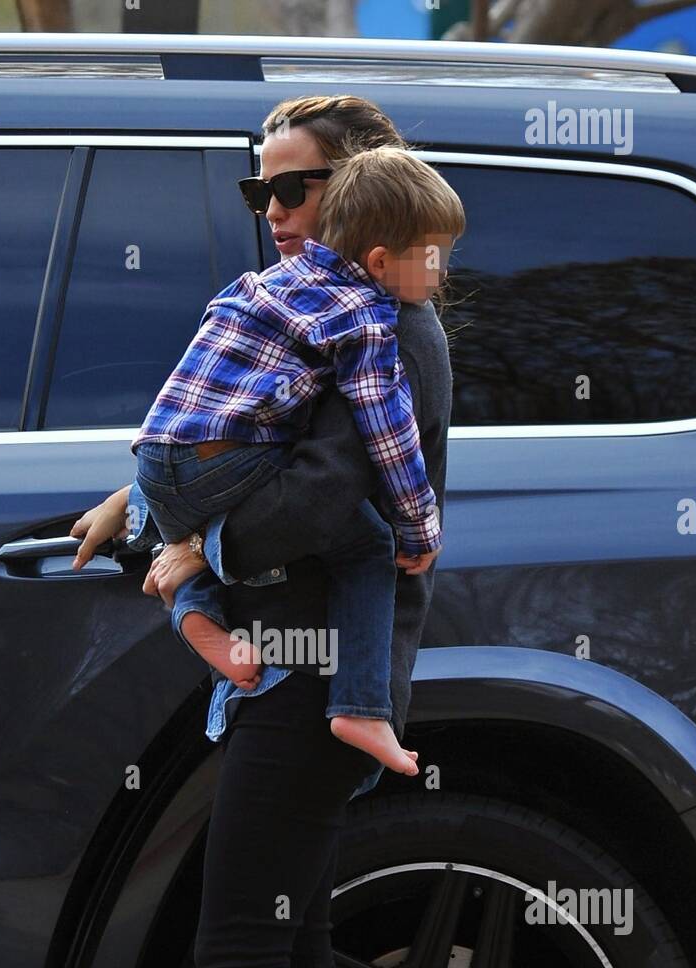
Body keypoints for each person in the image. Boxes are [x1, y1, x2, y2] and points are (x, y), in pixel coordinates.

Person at [70, 94, 457, 968]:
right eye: (263, 190)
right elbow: (237, 435)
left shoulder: (390, 322)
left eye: (296, 188)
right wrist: (132, 501)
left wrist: (197, 545)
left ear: (358, 194)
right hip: (279, 668)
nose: (276, 211)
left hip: (314, 667)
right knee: (281, 945)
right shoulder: (326, 306)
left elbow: (328, 501)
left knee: (238, 949)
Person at [125, 146, 462, 776]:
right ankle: (361, 705)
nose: (444, 278)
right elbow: (384, 430)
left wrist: (156, 507)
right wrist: (419, 528)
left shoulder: (264, 282)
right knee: (369, 545)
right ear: (382, 262)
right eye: (437, 259)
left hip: (156, 460)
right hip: (222, 464)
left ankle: (198, 619)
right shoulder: (368, 317)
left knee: (191, 517)